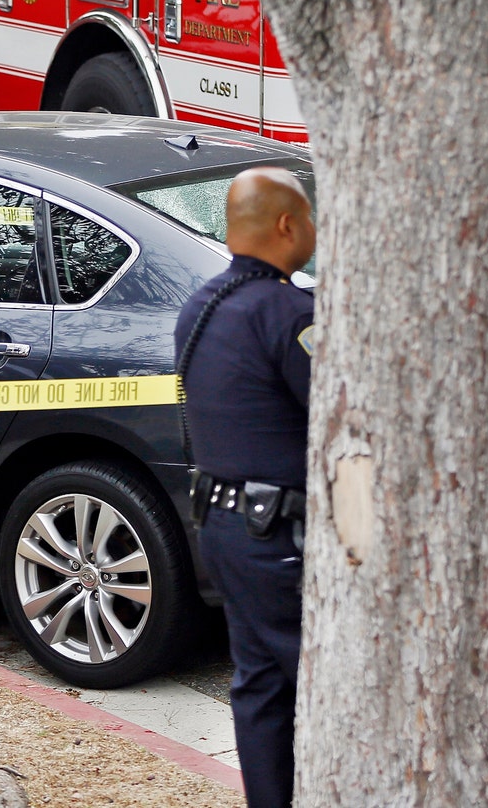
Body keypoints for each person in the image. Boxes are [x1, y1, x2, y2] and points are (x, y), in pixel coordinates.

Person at [171, 167, 317, 808]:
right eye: (310, 218)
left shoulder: (198, 308)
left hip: (226, 529)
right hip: (283, 535)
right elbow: (340, 425)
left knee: (259, 685)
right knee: (329, 686)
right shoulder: (289, 313)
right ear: (288, 225)